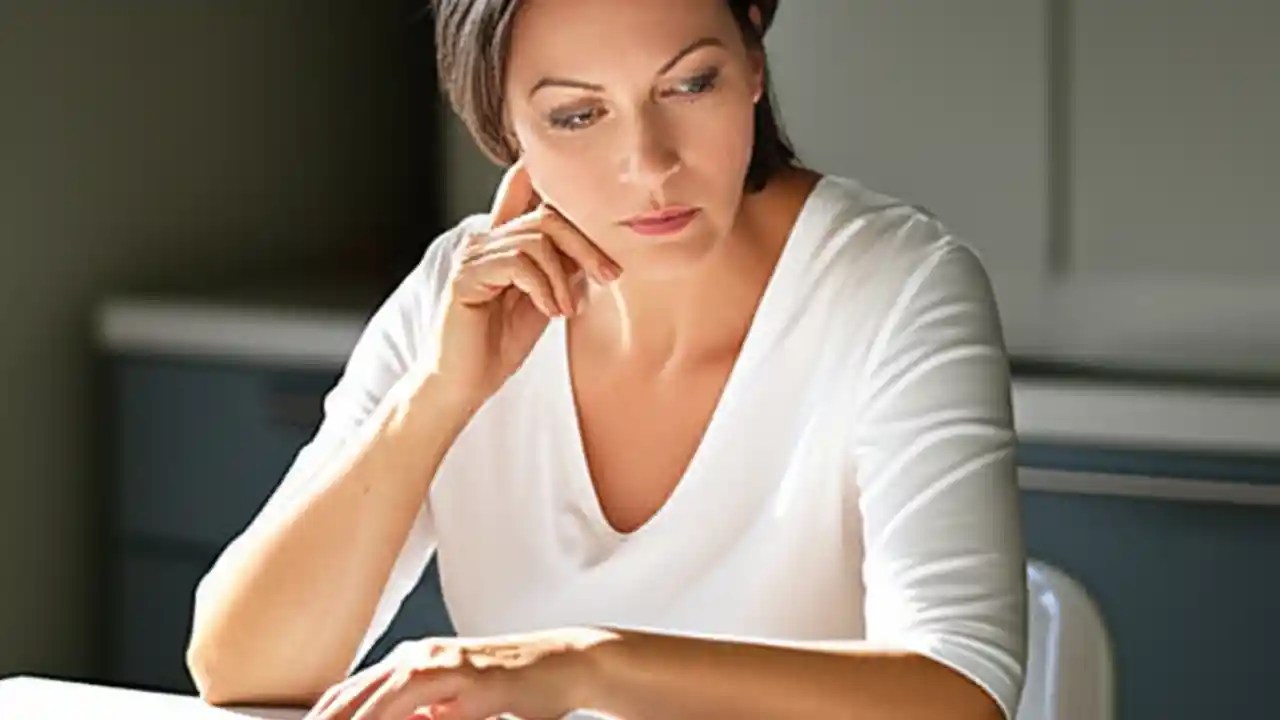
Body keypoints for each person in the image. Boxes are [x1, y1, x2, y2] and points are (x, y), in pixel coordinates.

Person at [186, 0, 1027, 718]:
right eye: (577, 115)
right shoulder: (466, 292)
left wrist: (584, 666)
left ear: (754, 61)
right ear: (505, 126)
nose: (650, 164)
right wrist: (437, 397)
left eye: (691, 84)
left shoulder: (895, 285)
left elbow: (960, 691)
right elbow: (238, 665)